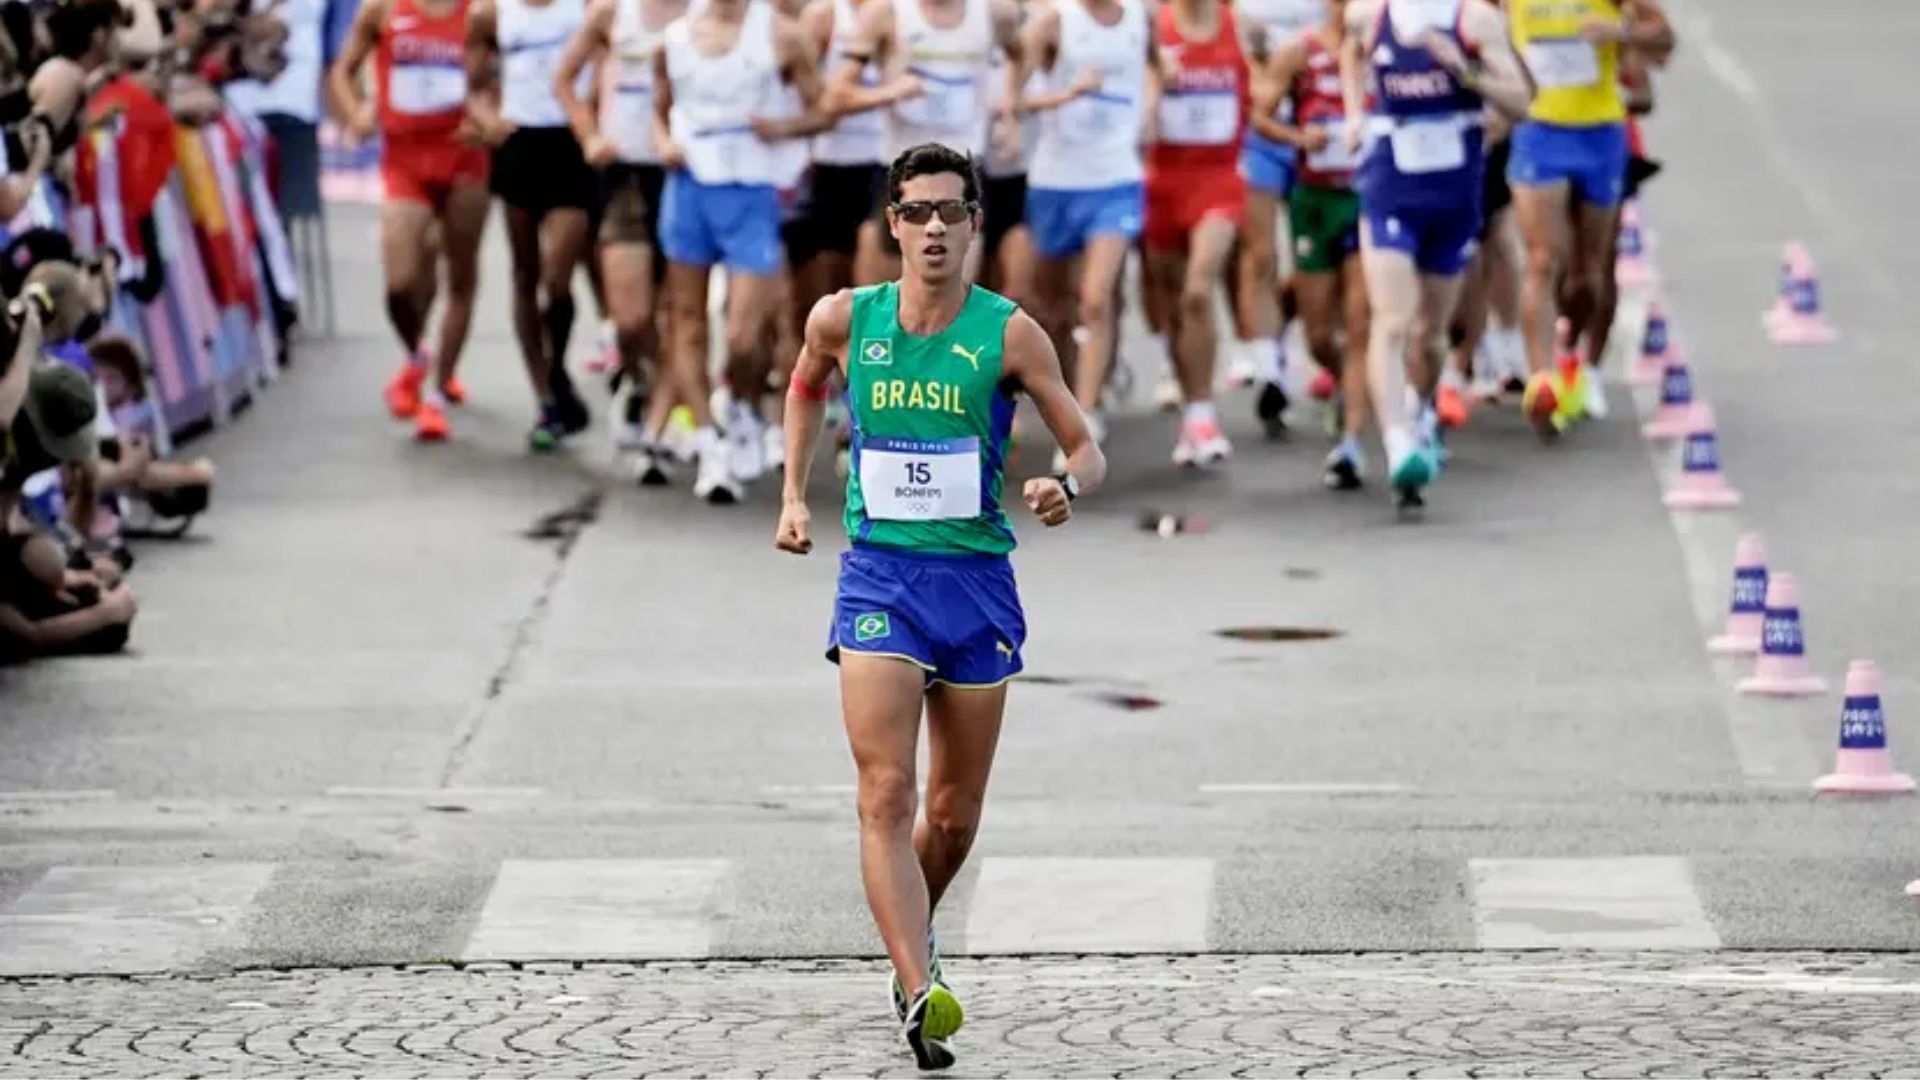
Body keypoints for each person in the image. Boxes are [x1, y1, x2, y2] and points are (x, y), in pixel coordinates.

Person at [774, 143, 1105, 1072]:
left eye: (950, 212)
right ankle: (920, 988)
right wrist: (794, 494)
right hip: (879, 578)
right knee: (886, 791)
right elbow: (804, 385)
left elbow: (1086, 446)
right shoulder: (846, 319)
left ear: (973, 225)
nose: (932, 229)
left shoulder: (1010, 335)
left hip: (976, 585)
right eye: (915, 212)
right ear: (891, 223)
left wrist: (1066, 487)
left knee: (953, 817)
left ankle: (910, 934)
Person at [1339, 0, 1528, 510]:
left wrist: (1465, 72)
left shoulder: (1474, 20)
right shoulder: (1370, 14)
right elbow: (1350, 51)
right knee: (1392, 319)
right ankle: (1398, 444)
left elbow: (1522, 102)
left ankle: (1419, 410)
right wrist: (1355, 114)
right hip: (1389, 188)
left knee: (1431, 335)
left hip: (1453, 196)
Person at [653, 0, 829, 504]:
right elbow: (659, 110)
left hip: (752, 191)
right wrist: (663, 142)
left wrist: (782, 129)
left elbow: (823, 110)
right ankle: (712, 443)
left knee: (743, 335)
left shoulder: (781, 33)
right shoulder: (677, 36)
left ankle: (743, 407)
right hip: (689, 188)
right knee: (687, 322)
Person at [1506, 0, 1673, 435]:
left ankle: (1574, 358)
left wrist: (1621, 34)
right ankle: (1542, 382)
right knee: (1542, 260)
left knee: (1588, 276)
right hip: (1538, 133)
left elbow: (1665, 39)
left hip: (1600, 137)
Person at [329, 0, 491, 441]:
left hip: (463, 155)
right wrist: (357, 112)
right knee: (401, 283)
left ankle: (437, 391)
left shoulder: (480, 11)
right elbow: (342, 71)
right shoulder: (382, 9)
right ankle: (418, 354)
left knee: (461, 275)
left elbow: (508, 66)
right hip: (405, 162)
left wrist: (490, 113)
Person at [554, 0, 689, 481]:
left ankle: (661, 419)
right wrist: (589, 135)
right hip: (625, 175)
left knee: (676, 313)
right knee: (631, 319)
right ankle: (638, 379)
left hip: (686, 174)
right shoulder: (613, 13)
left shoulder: (709, 13)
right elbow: (564, 79)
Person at [1013, 0, 1148, 467]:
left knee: (1095, 298)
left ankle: (1083, 418)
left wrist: (1149, 106)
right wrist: (1068, 95)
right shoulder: (1053, 22)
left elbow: (1157, 65)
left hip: (1116, 179)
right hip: (1055, 182)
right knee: (1050, 311)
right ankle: (1069, 396)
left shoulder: (1140, 16)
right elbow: (1012, 99)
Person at [465, 0, 599, 450]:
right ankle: (545, 396)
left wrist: (596, 120)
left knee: (556, 280)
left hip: (570, 143)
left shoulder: (585, 8)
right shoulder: (491, 12)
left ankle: (557, 367)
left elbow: (610, 64)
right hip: (519, 143)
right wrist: (487, 119)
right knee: (525, 275)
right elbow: (470, 82)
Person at [1251, 0, 1370, 489]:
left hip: (1366, 197)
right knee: (1320, 332)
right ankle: (1346, 380)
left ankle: (1352, 439)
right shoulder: (1299, 52)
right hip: (1315, 201)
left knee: (1360, 324)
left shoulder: (1381, 45)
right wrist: (1300, 138)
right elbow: (1259, 116)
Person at [821, 0, 1022, 284]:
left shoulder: (995, 12)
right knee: (889, 301)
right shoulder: (886, 13)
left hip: (963, 170)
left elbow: (1020, 55)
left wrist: (1009, 108)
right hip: (902, 171)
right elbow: (834, 98)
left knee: (953, 299)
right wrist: (891, 92)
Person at [1143, 0, 1248, 468]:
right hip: (1161, 182)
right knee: (1170, 300)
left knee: (1198, 291)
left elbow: (1265, 86)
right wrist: (1154, 84)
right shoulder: (1153, 27)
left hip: (1218, 181)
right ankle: (1191, 406)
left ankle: (1204, 414)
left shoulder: (1239, 27)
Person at [1231, 0, 1319, 420]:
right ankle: (1270, 372)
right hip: (1260, 135)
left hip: (1318, 137)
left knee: (1316, 264)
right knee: (1260, 254)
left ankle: (1281, 330)